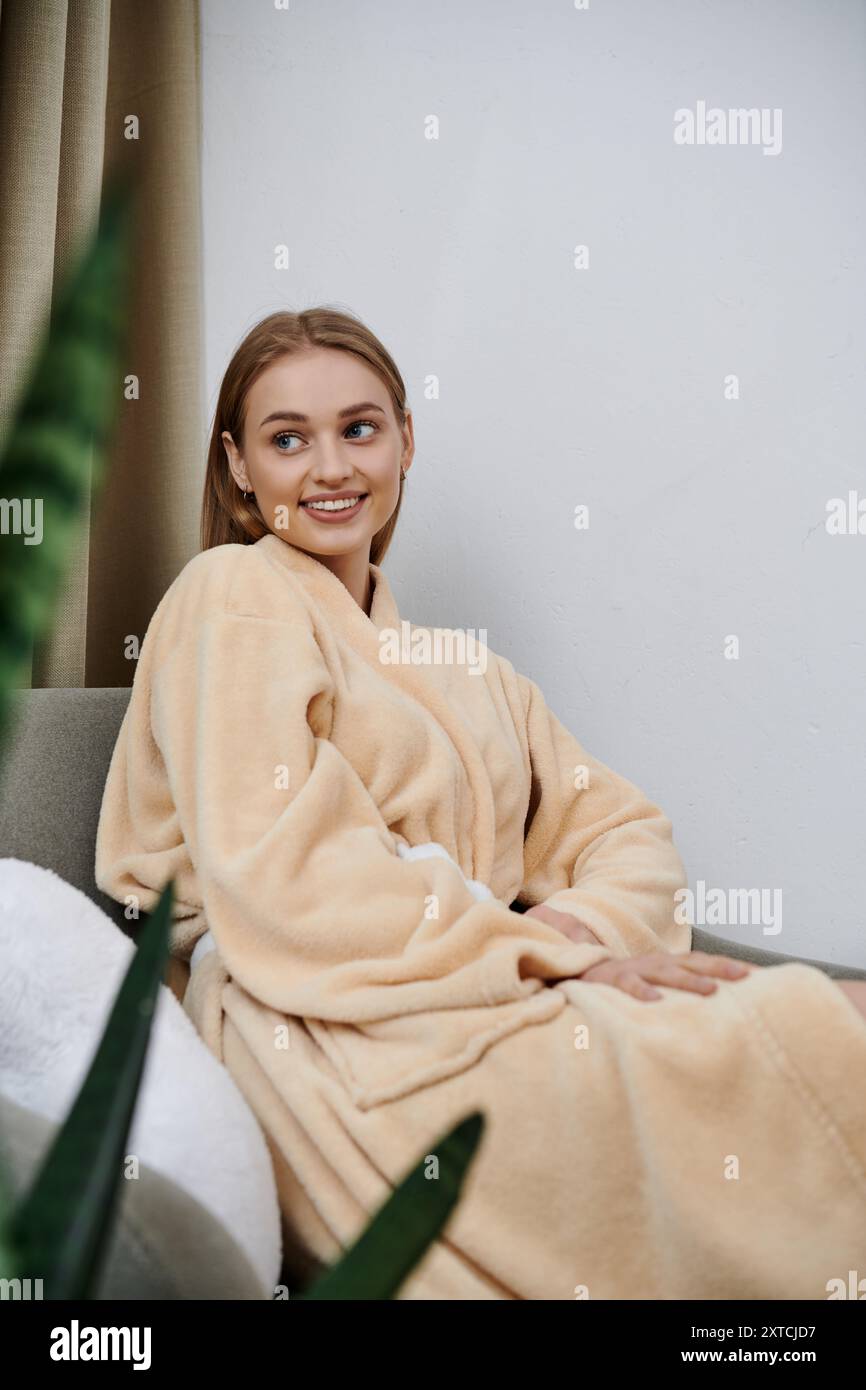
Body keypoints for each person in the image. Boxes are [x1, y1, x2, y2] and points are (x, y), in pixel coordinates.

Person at [95, 307, 866, 1299]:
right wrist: (547, 957)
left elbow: (622, 832)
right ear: (240, 466)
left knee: (816, 1018)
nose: (329, 466)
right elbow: (285, 876)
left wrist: (565, 929)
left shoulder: (467, 672)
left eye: (358, 429)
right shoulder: (229, 594)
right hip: (324, 1034)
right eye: (288, 438)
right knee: (807, 1027)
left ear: (405, 441)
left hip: (493, 992)